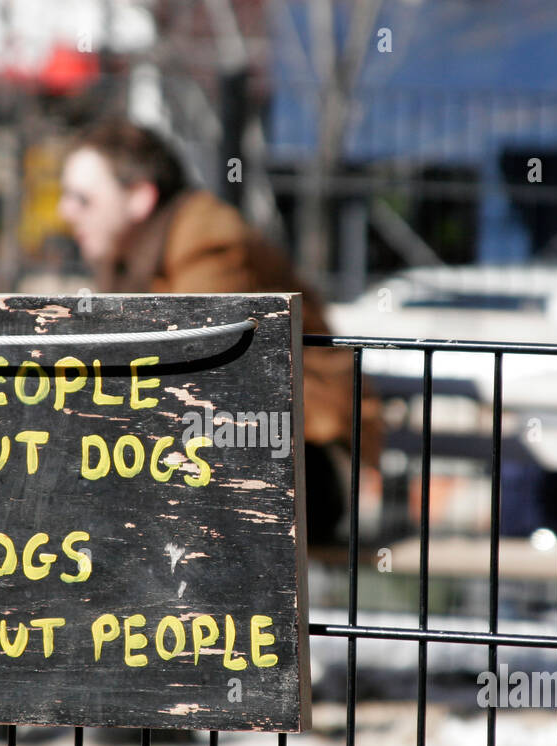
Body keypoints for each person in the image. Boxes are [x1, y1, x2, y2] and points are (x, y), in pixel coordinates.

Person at [56, 119, 380, 544]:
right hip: (230, 446)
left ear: (139, 197)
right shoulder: (128, 259)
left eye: (82, 198)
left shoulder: (206, 237)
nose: (65, 212)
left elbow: (198, 371)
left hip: (310, 462)